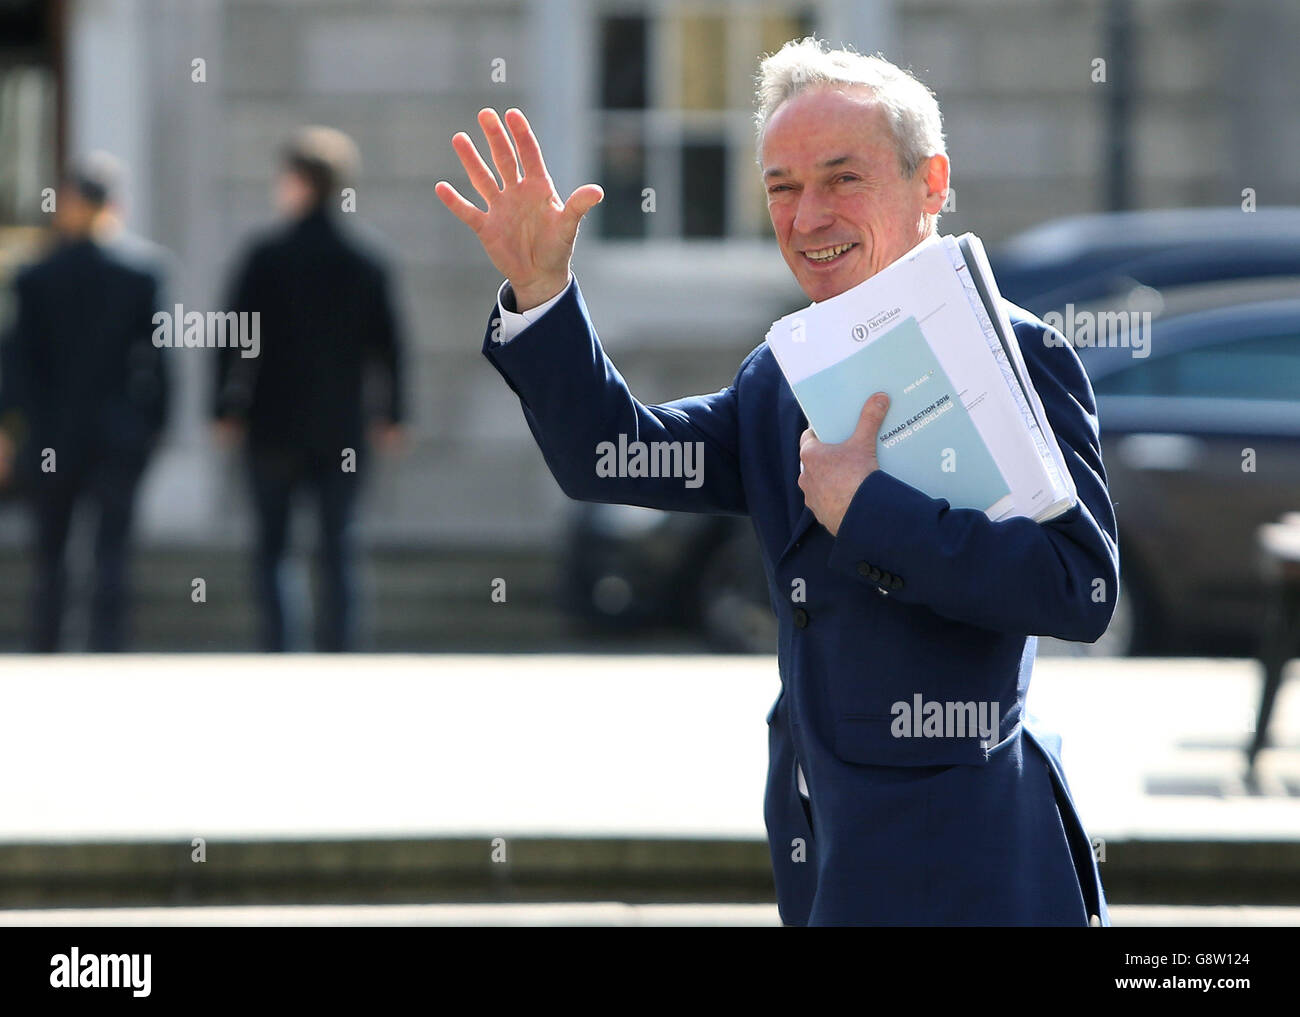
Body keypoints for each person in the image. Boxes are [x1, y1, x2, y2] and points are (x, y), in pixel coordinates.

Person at [437, 37, 1121, 926]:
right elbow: (612, 455)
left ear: (931, 183)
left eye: (843, 178)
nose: (808, 216)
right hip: (824, 846)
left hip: (969, 862)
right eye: (782, 187)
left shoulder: (1020, 352)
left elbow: (1079, 587)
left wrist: (868, 509)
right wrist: (543, 292)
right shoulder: (780, 372)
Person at [214, 127, 406, 652]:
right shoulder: (367, 257)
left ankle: (281, 649)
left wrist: (224, 406)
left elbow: (233, 337)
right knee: (339, 542)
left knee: (273, 545)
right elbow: (391, 346)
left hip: (271, 421)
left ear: (299, 182)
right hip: (342, 424)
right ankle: (340, 650)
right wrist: (393, 414)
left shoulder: (266, 253)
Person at [0, 152, 169, 652]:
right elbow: (158, 362)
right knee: (112, 551)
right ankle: (107, 649)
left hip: (52, 433)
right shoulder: (141, 274)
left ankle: (47, 647)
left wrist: (12, 429)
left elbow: (17, 363)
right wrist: (153, 425)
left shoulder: (37, 276)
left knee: (50, 552)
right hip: (118, 432)